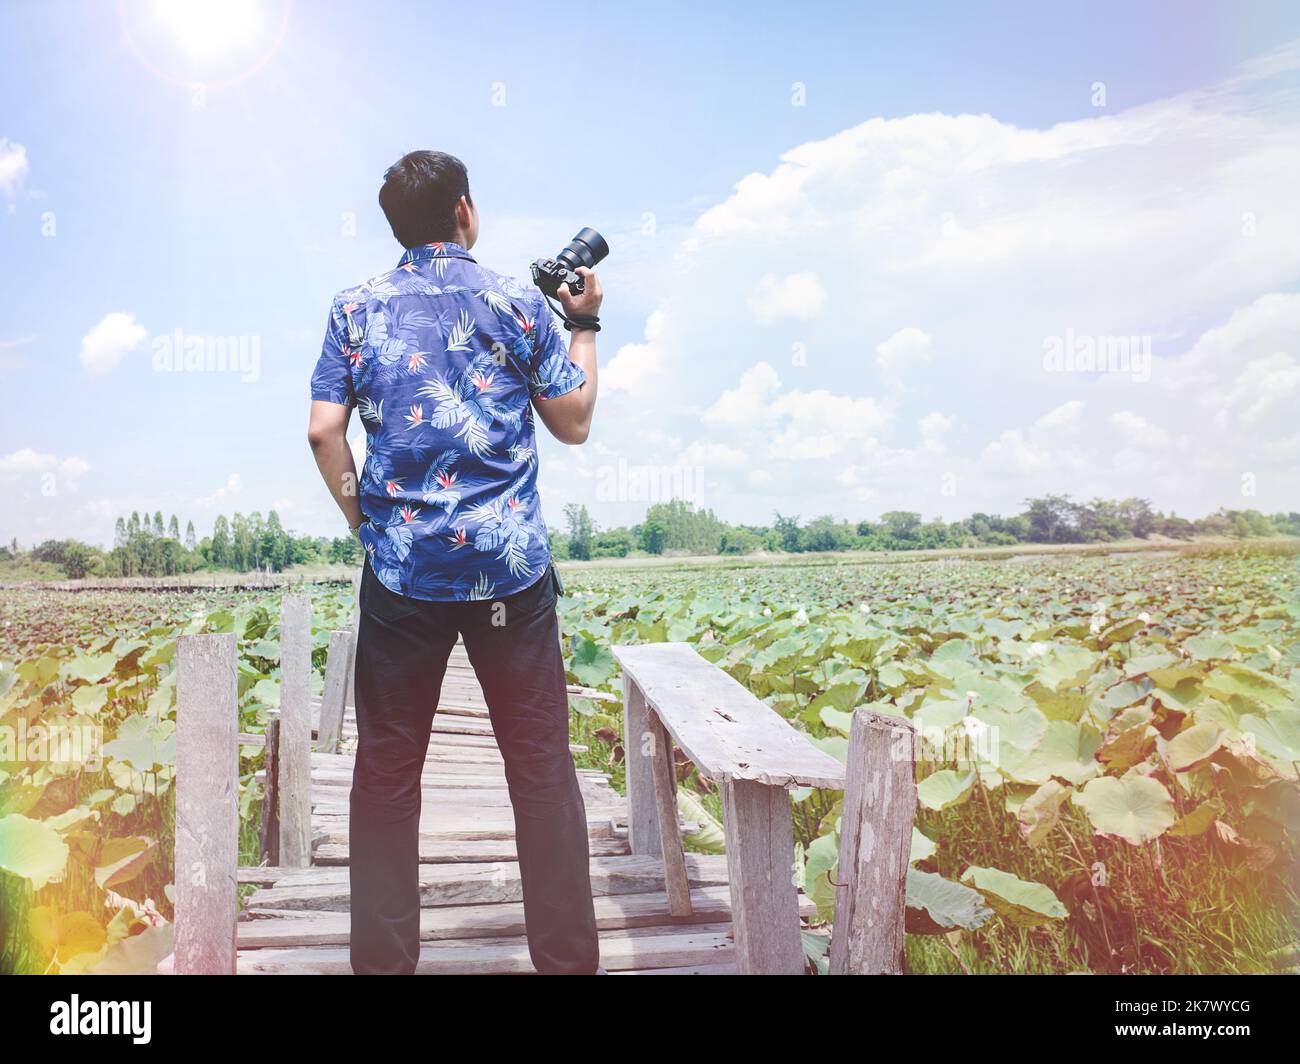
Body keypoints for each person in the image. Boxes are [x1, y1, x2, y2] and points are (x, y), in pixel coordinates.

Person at [306, 150, 604, 975]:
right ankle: (569, 962)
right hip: (509, 573)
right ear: (465, 213)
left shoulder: (354, 308)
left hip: (402, 574)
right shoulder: (516, 299)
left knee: (388, 774)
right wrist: (585, 322)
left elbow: (323, 432)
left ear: (397, 226)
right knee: (541, 766)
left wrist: (365, 522)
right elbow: (573, 421)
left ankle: (384, 965)